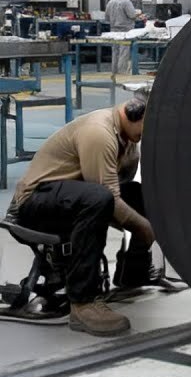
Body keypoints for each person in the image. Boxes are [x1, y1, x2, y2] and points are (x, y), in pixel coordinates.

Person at [3, 90, 156, 336]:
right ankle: (83, 303)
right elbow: (109, 199)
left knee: (139, 194)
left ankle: (133, 272)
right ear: (134, 113)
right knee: (99, 199)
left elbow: (122, 191)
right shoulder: (99, 132)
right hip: (32, 205)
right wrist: (144, 228)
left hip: (66, 197)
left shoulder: (127, 140)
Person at [105, 0, 143, 76]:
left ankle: (114, 72)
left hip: (113, 30)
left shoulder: (111, 2)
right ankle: (122, 73)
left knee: (115, 51)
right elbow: (132, 15)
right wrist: (138, 13)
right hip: (125, 30)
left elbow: (106, 17)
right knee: (124, 52)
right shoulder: (126, 2)